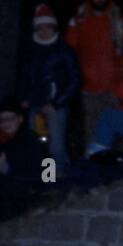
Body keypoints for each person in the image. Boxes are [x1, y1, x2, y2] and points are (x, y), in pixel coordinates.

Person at [66, 0, 123, 152]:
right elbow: (69, 52)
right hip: (88, 87)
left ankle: (118, 166)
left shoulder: (121, 19)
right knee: (92, 131)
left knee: (116, 131)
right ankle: (92, 163)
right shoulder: (79, 18)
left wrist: (122, 79)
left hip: (114, 88)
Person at [18, 5, 81, 170]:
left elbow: (75, 80)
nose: (44, 31)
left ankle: (59, 178)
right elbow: (24, 75)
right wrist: (24, 97)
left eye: (47, 27)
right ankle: (45, 178)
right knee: (38, 144)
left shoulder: (65, 50)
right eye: (40, 27)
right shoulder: (30, 49)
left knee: (55, 146)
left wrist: (56, 103)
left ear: (54, 27)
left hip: (55, 106)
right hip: (34, 105)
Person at [0, 99, 52, 219]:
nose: (5, 123)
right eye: (2, 120)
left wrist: (6, 169)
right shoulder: (4, 142)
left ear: (20, 119)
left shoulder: (32, 140)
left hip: (30, 189)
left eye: (10, 118)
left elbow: (47, 170)